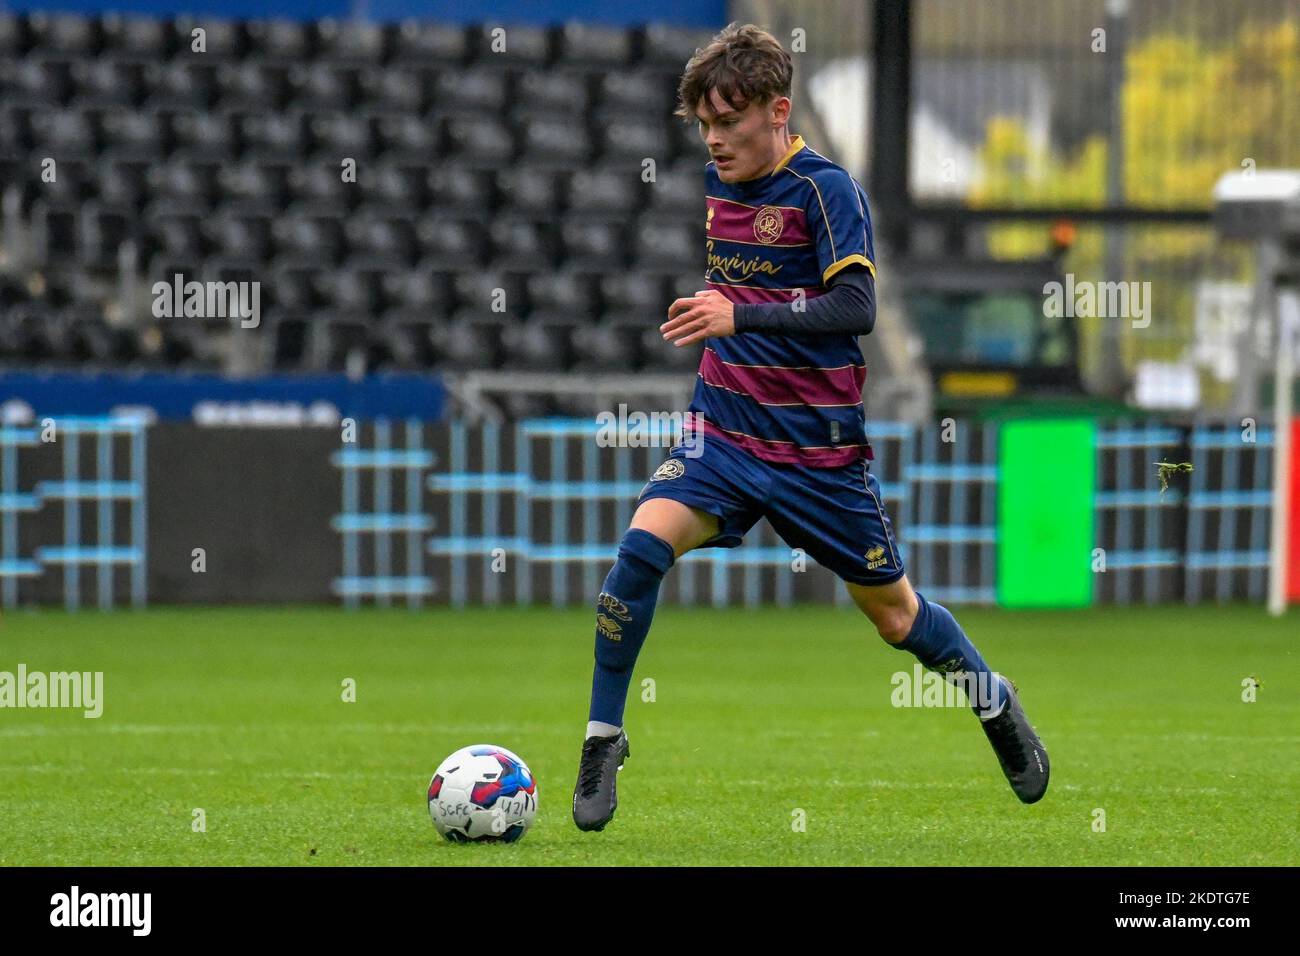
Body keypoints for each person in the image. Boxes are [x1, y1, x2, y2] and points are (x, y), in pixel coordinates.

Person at [573, 23, 1048, 832]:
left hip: (816, 457)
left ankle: (993, 700)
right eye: (704, 126)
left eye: (729, 122)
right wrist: (727, 322)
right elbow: (743, 303)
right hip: (722, 432)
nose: (714, 140)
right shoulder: (724, 184)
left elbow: (855, 309)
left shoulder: (827, 190)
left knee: (897, 619)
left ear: (778, 111)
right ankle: (602, 735)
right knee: (640, 549)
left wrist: (738, 313)